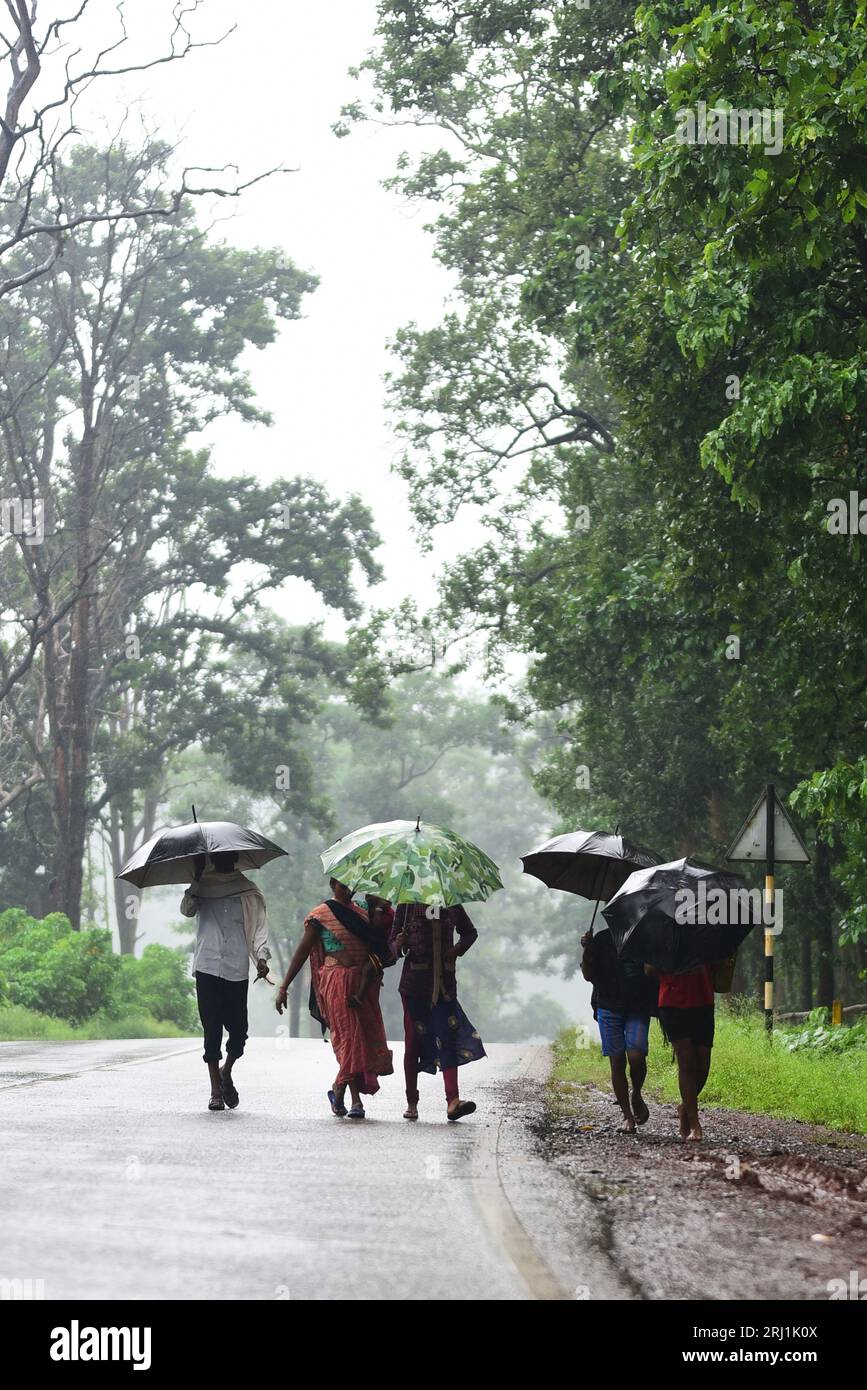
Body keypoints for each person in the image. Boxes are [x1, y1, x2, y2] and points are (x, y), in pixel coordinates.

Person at [275, 879, 394, 1119]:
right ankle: (355, 1100)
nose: (348, 890)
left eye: (351, 885)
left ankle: (339, 1089)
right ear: (332, 884)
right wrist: (284, 986)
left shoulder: (362, 912)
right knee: (348, 1038)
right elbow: (302, 952)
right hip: (335, 981)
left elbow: (379, 942)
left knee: (360, 1037)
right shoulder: (320, 915)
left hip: (362, 983)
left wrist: (380, 906)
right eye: (342, 886)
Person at [180, 850, 271, 1112]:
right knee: (212, 1030)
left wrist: (262, 957)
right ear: (211, 860)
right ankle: (214, 1091)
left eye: (226, 857)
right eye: (216, 857)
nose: (221, 862)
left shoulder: (248, 891)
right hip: (207, 965)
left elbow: (260, 927)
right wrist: (196, 879)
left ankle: (225, 1070)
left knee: (239, 1031)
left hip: (236, 967)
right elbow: (187, 910)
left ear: (235, 860)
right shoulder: (202, 886)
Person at [389, 902, 484, 1122]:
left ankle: (453, 1101)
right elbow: (393, 945)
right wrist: (399, 944)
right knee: (413, 1042)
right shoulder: (407, 906)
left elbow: (469, 933)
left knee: (447, 1037)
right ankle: (412, 1101)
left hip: (445, 986)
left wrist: (455, 951)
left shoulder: (452, 904)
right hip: (414, 986)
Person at [581, 927, 659, 1133]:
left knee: (636, 1055)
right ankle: (627, 1116)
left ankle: (636, 1094)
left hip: (638, 1007)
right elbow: (588, 975)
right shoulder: (602, 939)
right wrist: (587, 950)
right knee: (617, 1060)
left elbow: (652, 972)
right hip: (608, 1006)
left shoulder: (644, 938)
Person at [652, 963, 715, 1142]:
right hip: (672, 1003)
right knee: (687, 1064)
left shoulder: (705, 935)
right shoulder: (664, 937)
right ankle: (695, 1125)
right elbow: (649, 968)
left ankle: (685, 1107)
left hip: (703, 1001)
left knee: (703, 1066)